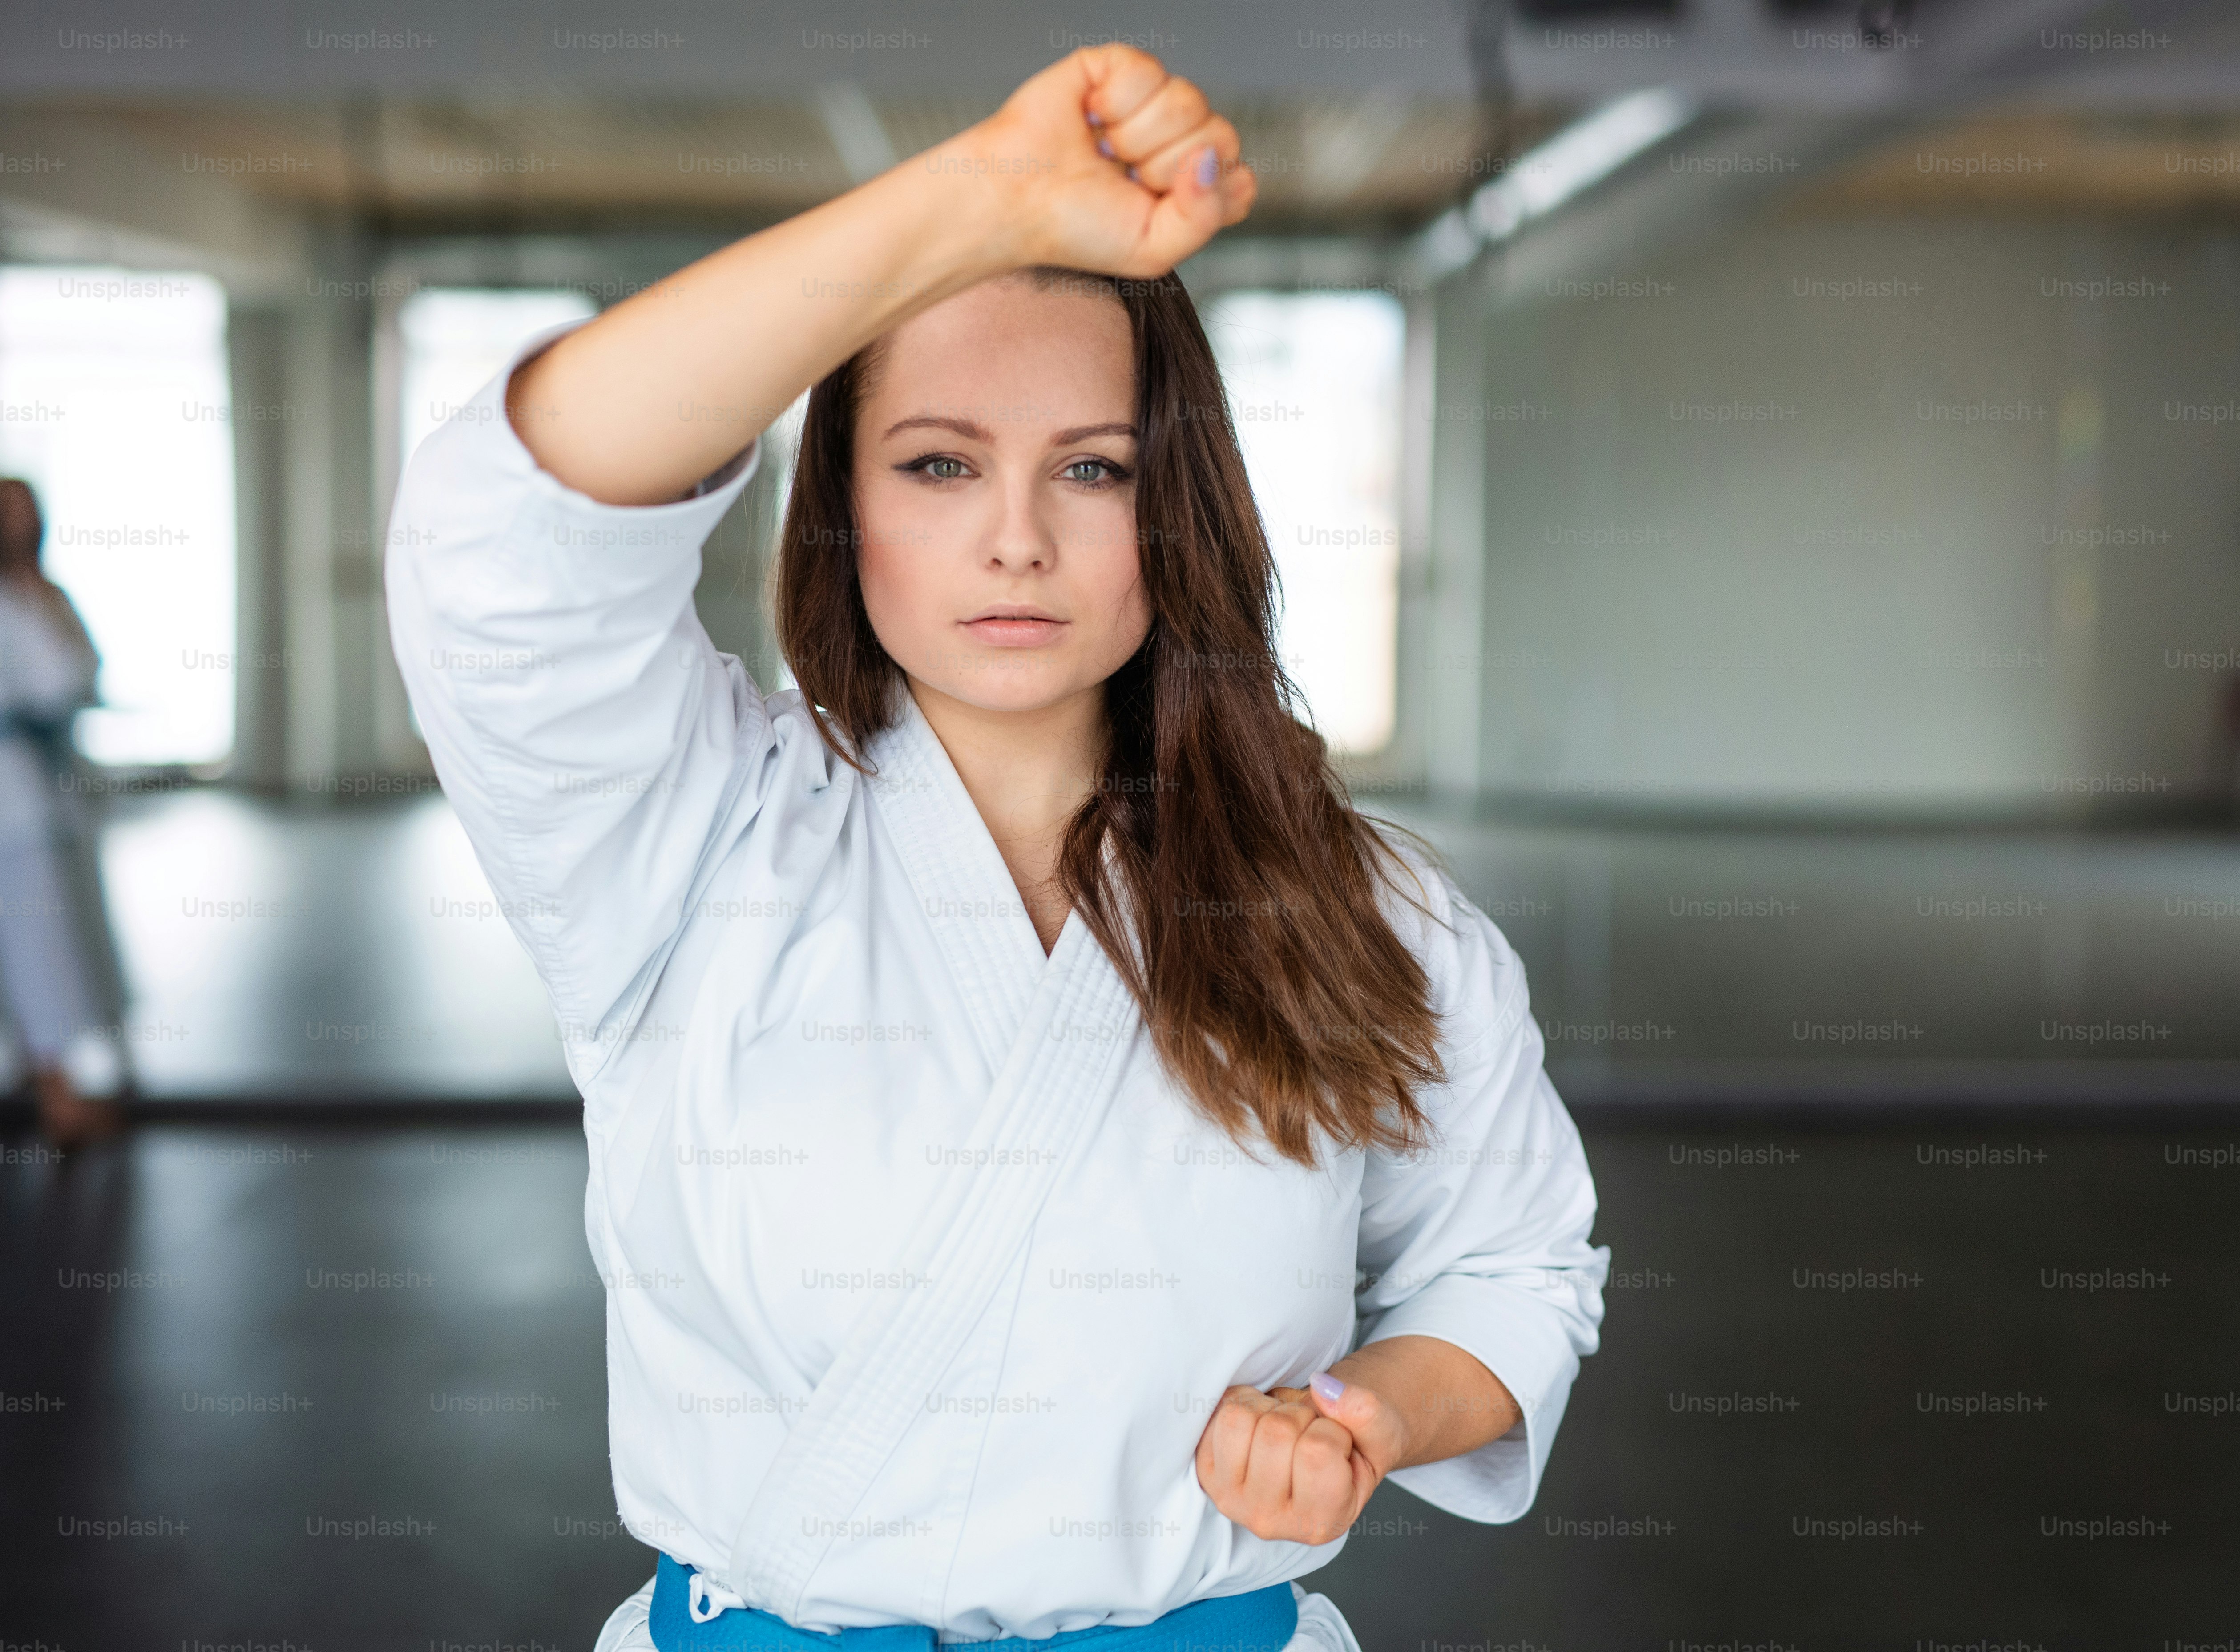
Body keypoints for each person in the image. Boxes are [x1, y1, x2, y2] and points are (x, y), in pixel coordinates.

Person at [386, 47, 1607, 1652]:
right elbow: (506, 536)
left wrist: (1363, 1414)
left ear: (1176, 506)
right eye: (938, 462)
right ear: (843, 503)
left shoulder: (1363, 903)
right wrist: (970, 202)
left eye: (1090, 468)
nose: (1015, 535)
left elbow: (1511, 1265)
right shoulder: (683, 831)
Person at [0, 477, 125, 1147]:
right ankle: (55, 1091)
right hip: (14, 796)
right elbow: (50, 682)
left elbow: (81, 672)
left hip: (43, 789)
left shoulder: (41, 593)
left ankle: (40, 1068)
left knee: (45, 936)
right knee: (32, 944)